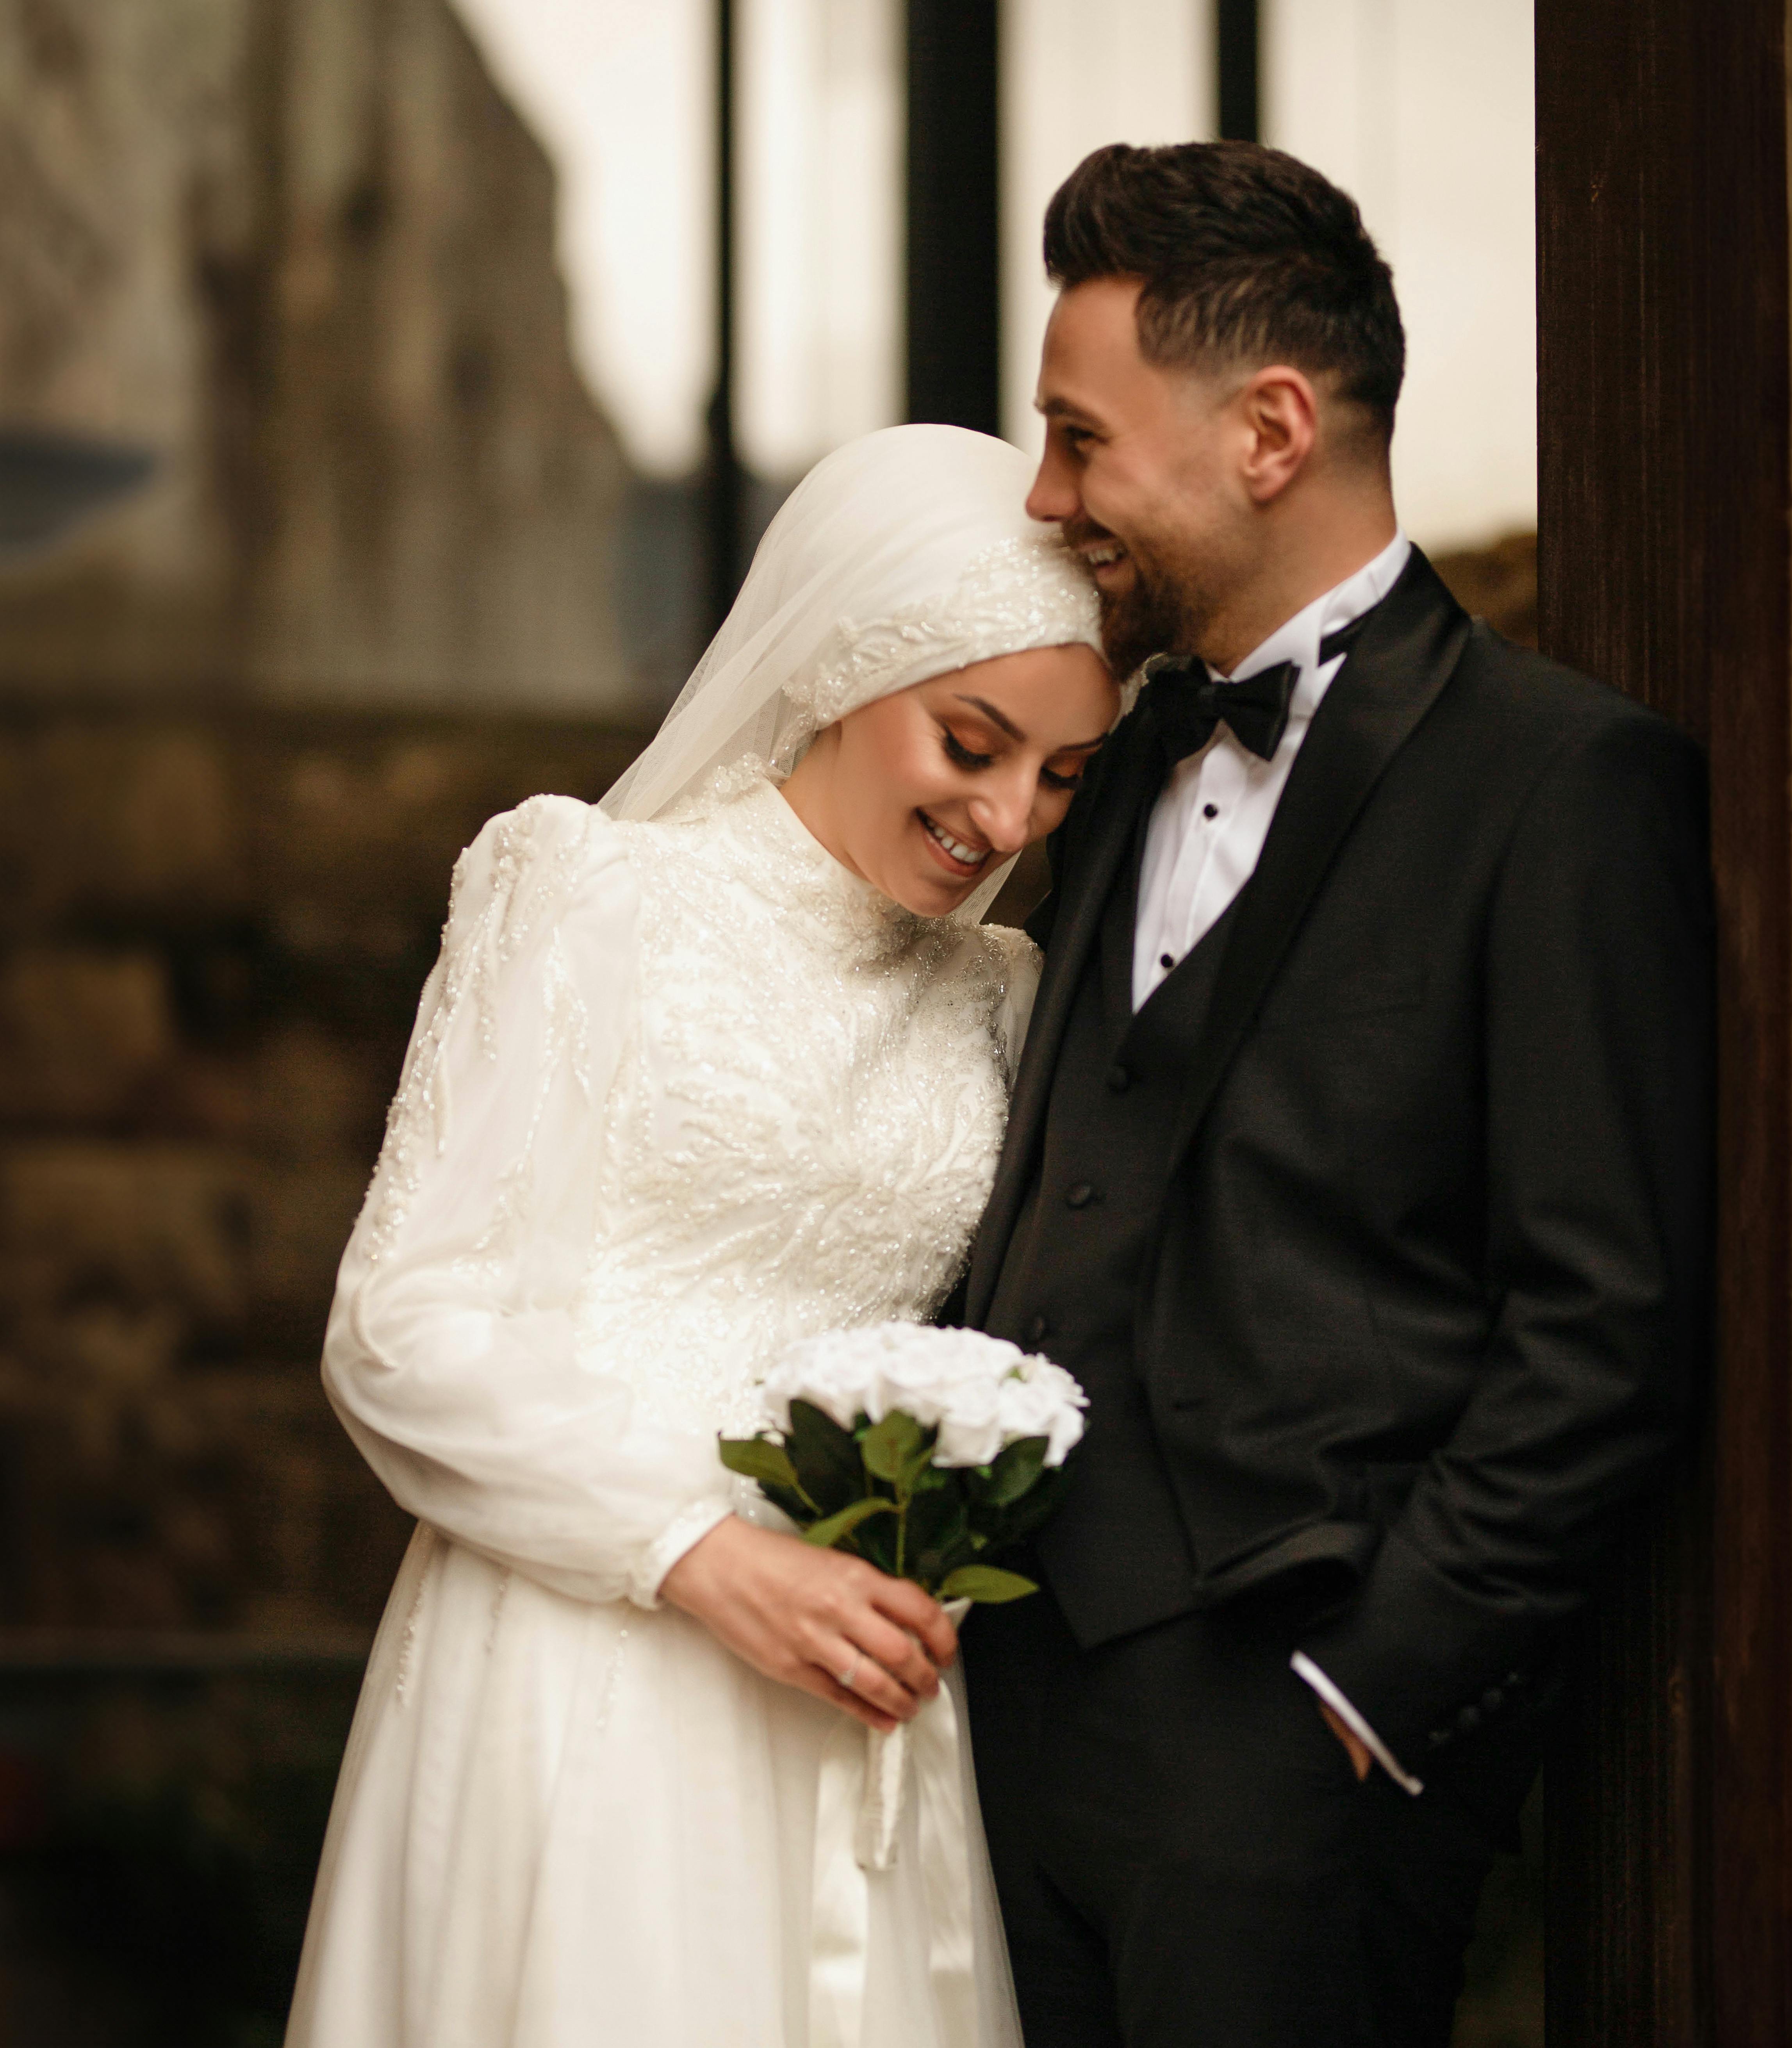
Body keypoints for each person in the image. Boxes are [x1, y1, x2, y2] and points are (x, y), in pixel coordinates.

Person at [960, 141, 1715, 2048]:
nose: (1046, 501)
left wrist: (1365, 1701)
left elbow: (1604, 1321)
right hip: (998, 1718)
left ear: (1272, 428)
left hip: (1291, 1748)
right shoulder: (1113, 759)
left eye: (1077, 440)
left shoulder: (1562, 784)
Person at [285, 424, 1118, 2048]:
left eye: (1062, 774)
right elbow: (400, 1325)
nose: (1009, 815)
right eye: (971, 742)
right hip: (587, 1647)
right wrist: (700, 1553)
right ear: (844, 664)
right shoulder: (587, 891)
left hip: (863, 1686)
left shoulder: (1000, 996)